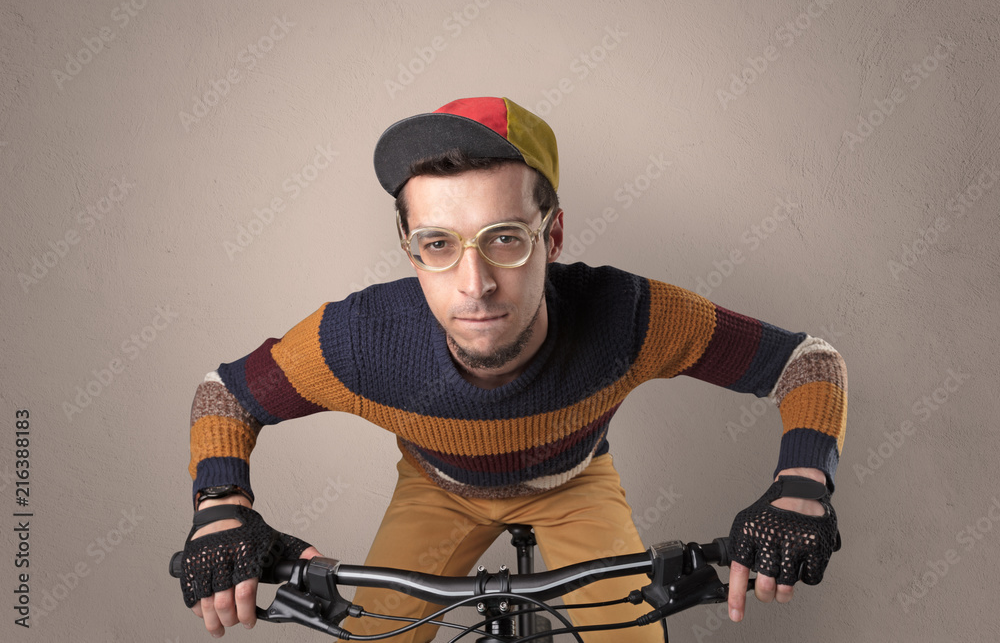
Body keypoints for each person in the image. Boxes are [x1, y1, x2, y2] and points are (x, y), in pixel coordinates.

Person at [178, 96, 847, 642]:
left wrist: (801, 485)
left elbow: (805, 361)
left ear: (552, 236)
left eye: (504, 238)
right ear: (409, 250)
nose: (475, 284)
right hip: (438, 488)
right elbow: (226, 395)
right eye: (438, 244)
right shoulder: (361, 339)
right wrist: (220, 503)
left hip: (573, 483)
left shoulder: (629, 316)